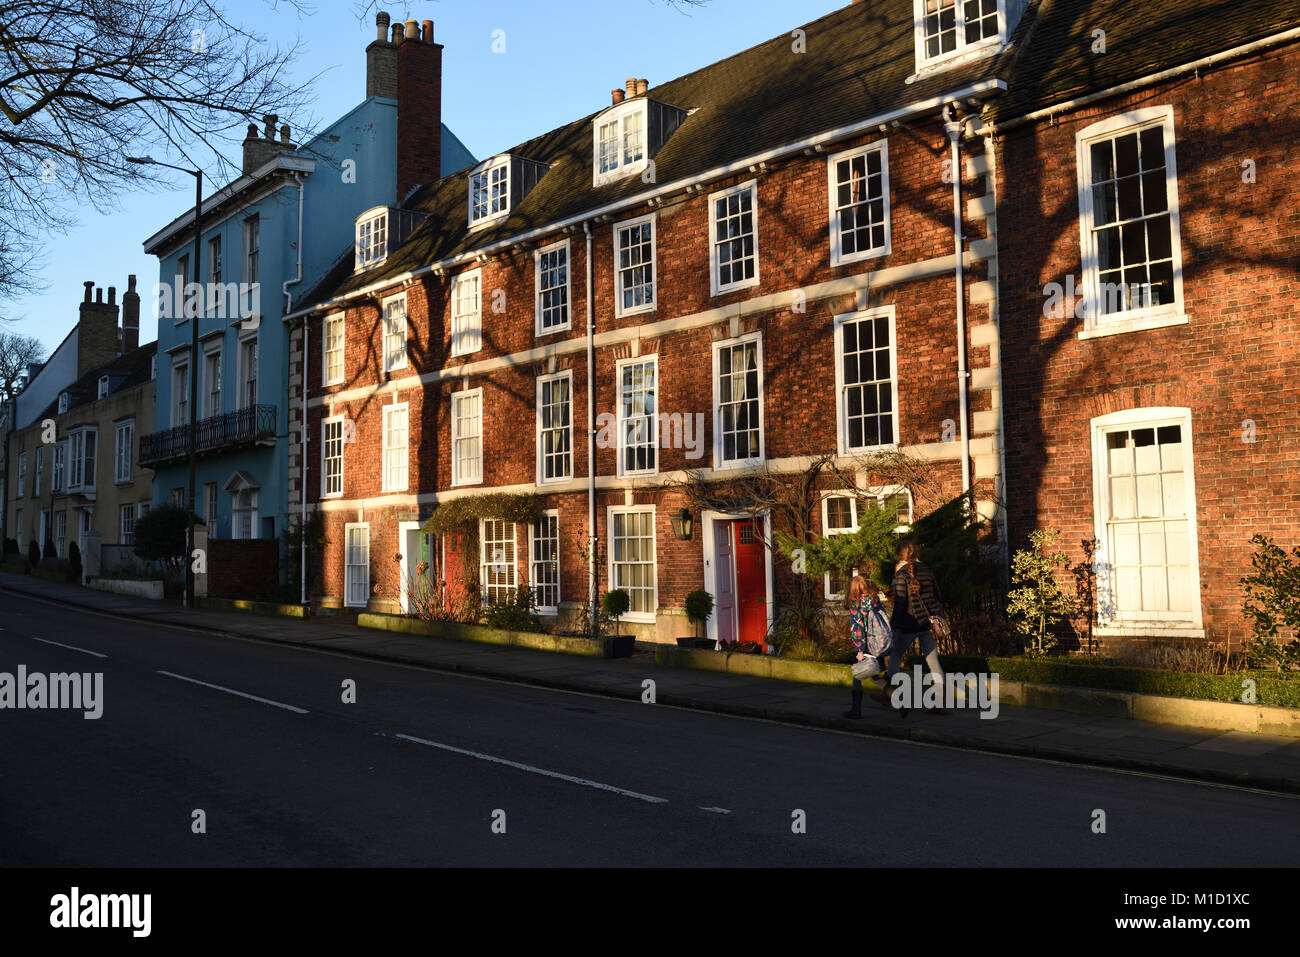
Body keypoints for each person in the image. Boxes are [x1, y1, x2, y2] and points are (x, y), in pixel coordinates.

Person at [872, 539, 949, 715]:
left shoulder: (902, 574)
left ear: (900, 555)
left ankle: (889, 695)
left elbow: (900, 603)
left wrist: (893, 625)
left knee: (895, 655)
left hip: (909, 623)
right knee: (933, 661)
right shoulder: (927, 570)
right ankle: (941, 702)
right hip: (928, 622)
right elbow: (937, 595)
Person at [843, 573, 892, 719]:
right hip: (878, 644)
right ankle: (897, 697)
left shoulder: (856, 605)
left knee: (858, 676)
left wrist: (859, 651)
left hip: (865, 645)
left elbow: (858, 630)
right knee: (874, 676)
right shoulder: (875, 601)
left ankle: (856, 710)